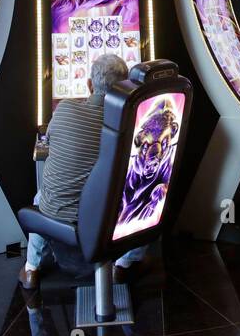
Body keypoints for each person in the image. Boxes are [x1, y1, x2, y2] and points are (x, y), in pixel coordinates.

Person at [19, 54, 147, 291]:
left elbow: (51, 141)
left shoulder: (64, 108)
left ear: (89, 84)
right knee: (147, 198)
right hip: (104, 220)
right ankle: (122, 265)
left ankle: (31, 269)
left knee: (41, 195)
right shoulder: (128, 125)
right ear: (124, 88)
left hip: (57, 215)